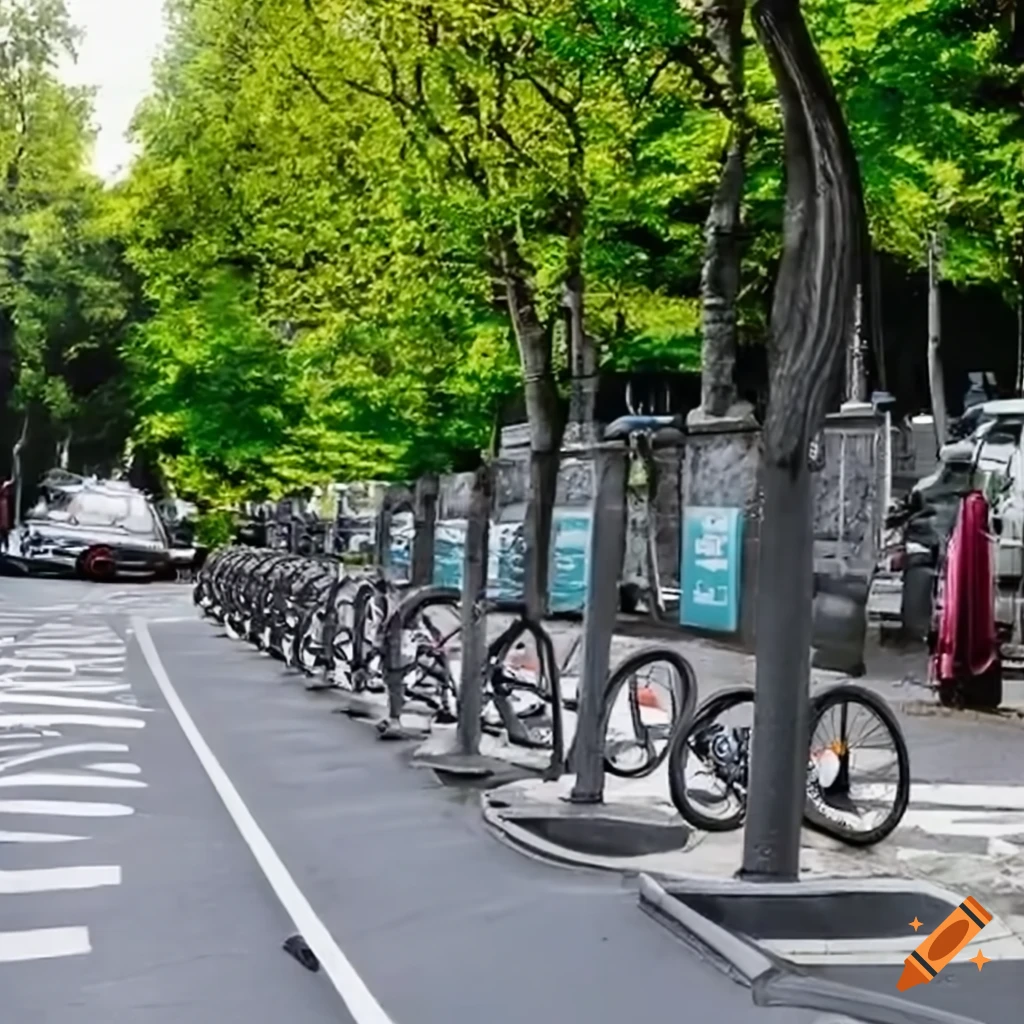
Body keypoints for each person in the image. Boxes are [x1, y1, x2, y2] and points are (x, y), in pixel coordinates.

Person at [0, 478, 12, 553]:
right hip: (2, 523)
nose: (7, 491)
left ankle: (6, 549)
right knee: (3, 536)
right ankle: (4, 548)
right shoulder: (2, 500)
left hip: (4, 523)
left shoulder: (5, 500)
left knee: (5, 536)